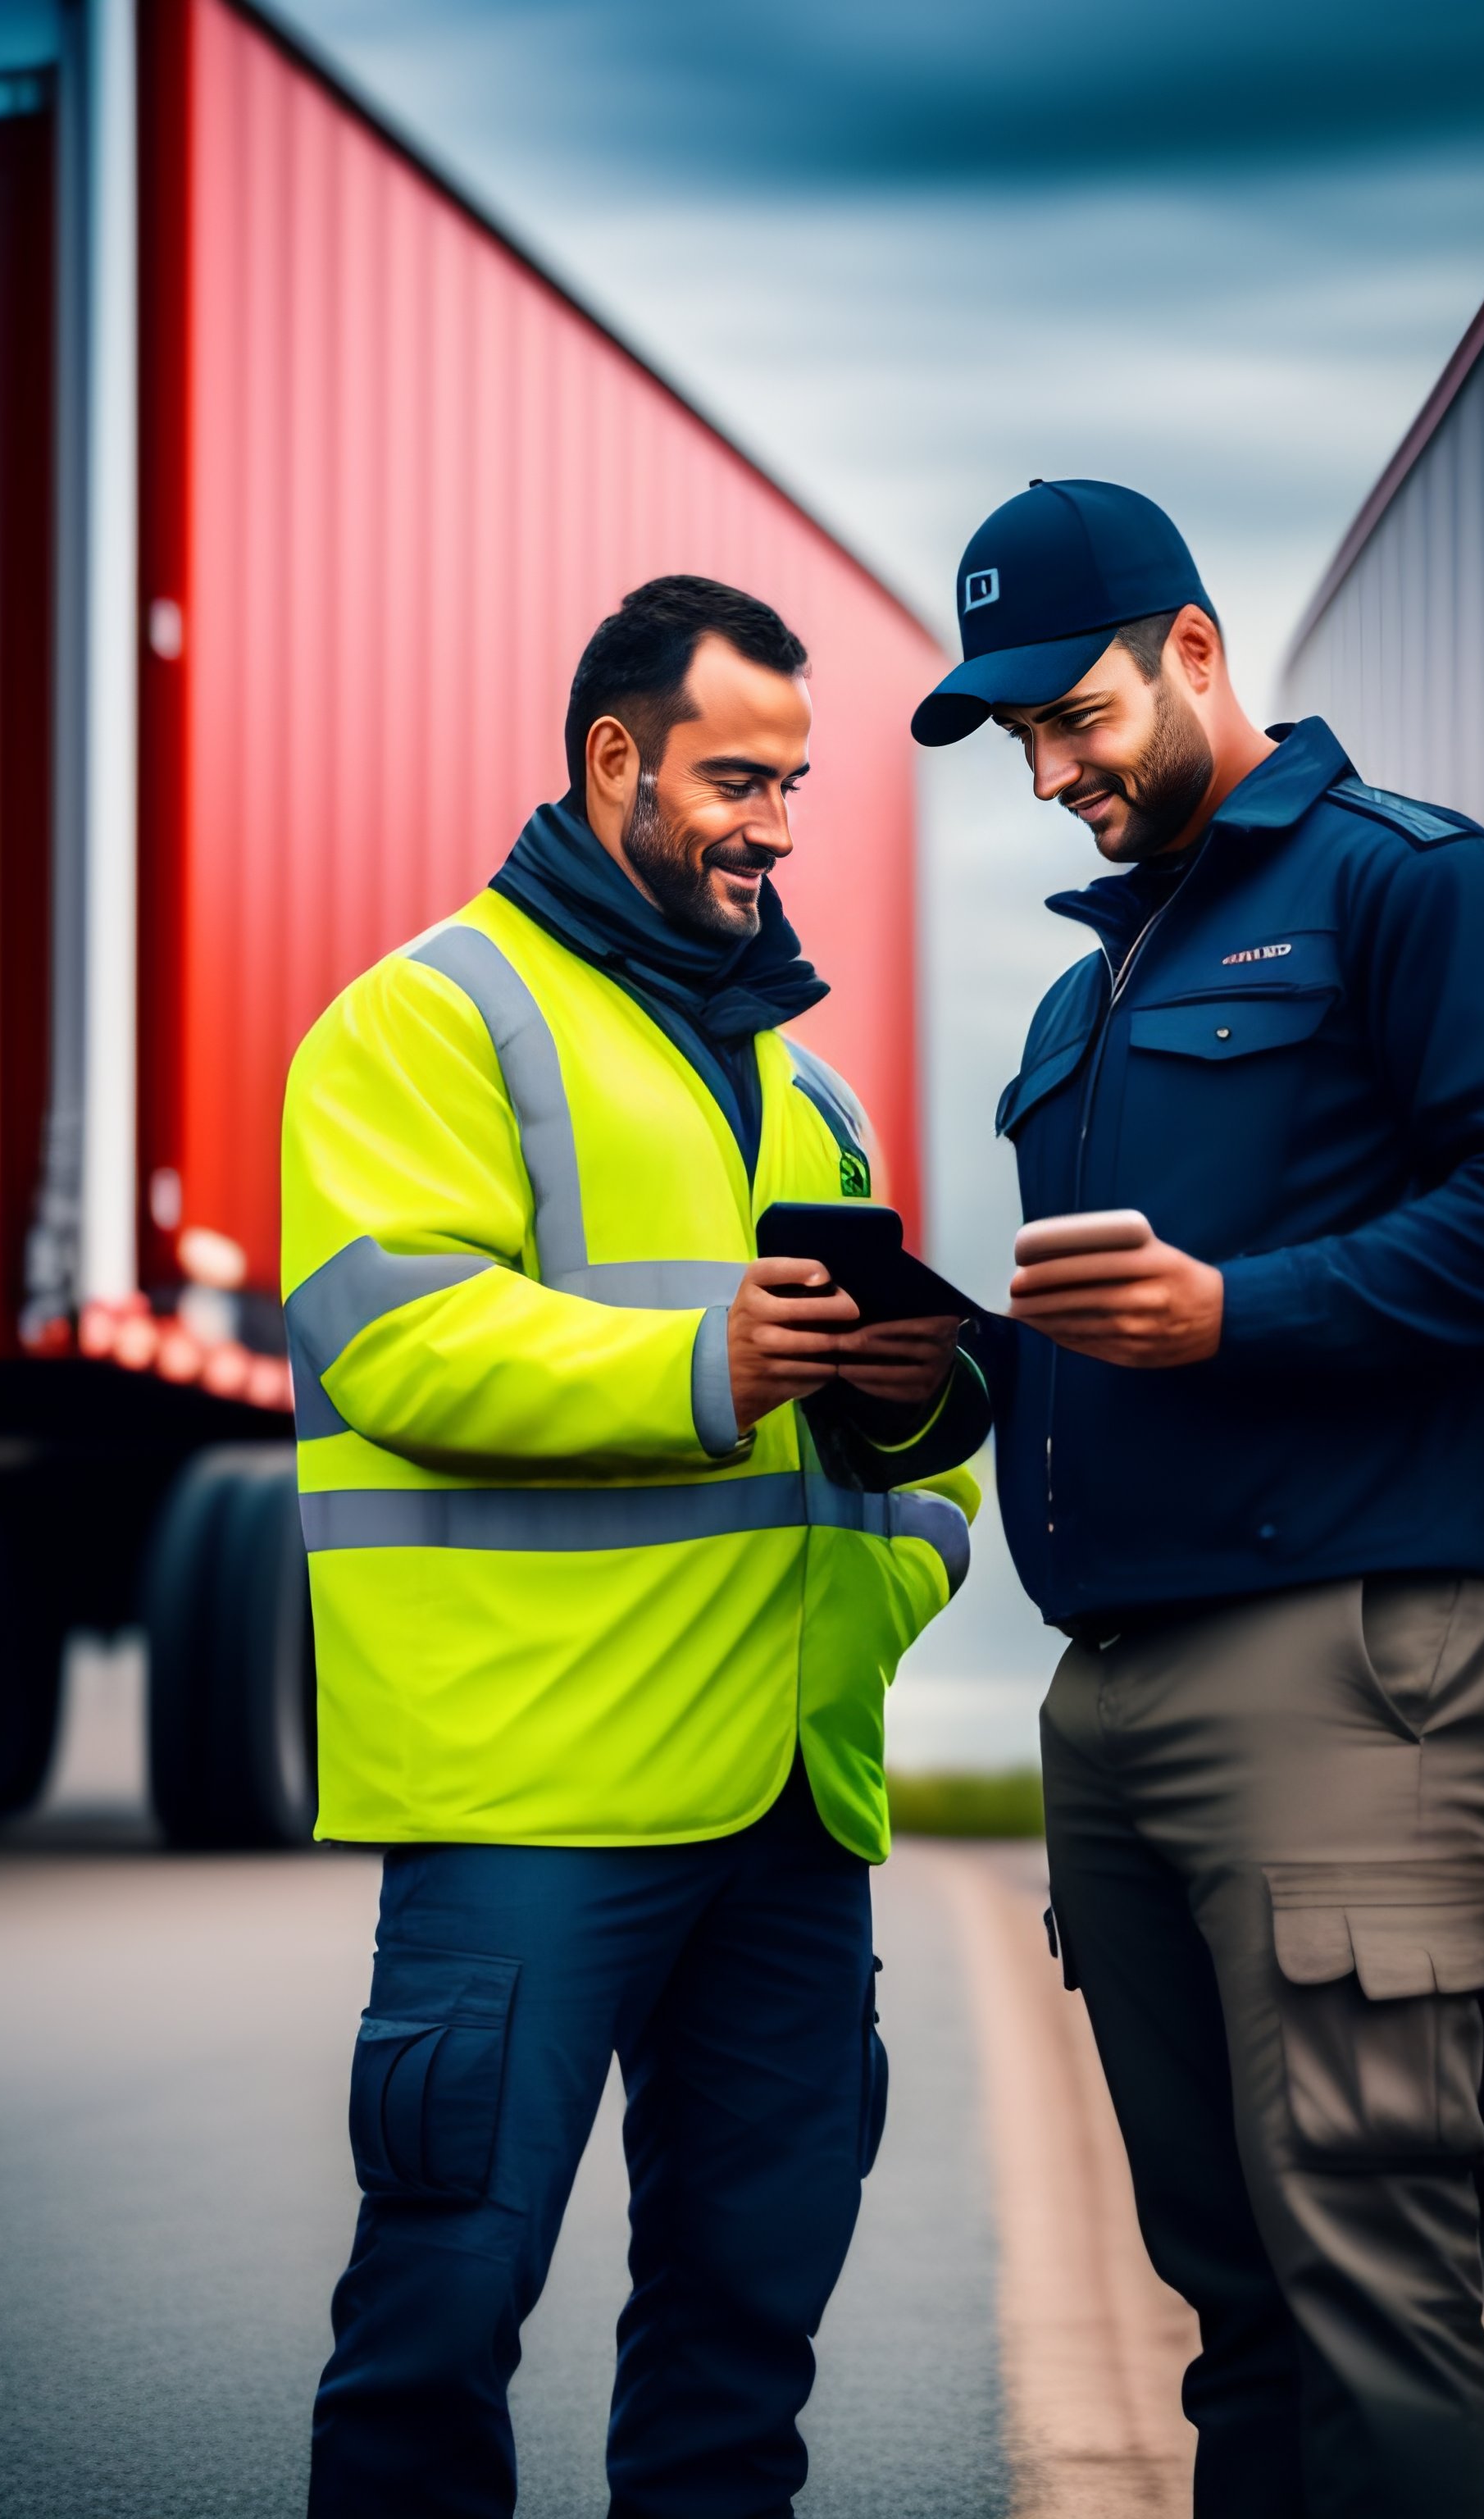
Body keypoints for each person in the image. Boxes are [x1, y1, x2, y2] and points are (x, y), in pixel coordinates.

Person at [912, 481, 1484, 2519]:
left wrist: (1237, 1311)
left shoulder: (1419, 891)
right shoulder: (1081, 1002)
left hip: (1337, 1671)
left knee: (1363, 2282)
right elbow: (1105, 1336)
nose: (1052, 771)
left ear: (1197, 654)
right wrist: (944, 1368)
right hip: (1112, 1689)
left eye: (1076, 716)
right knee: (1225, 2298)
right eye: (1018, 738)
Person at [286, 574, 988, 2519]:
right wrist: (706, 1359)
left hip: (785, 1809)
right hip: (535, 1792)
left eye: (793, 783)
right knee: (435, 2328)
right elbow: (392, 1328)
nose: (772, 822)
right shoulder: (433, 1015)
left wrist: (923, 1438)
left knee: (740, 2356)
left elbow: (916, 1465)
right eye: (733, 778)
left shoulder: (815, 1094)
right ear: (613, 761)